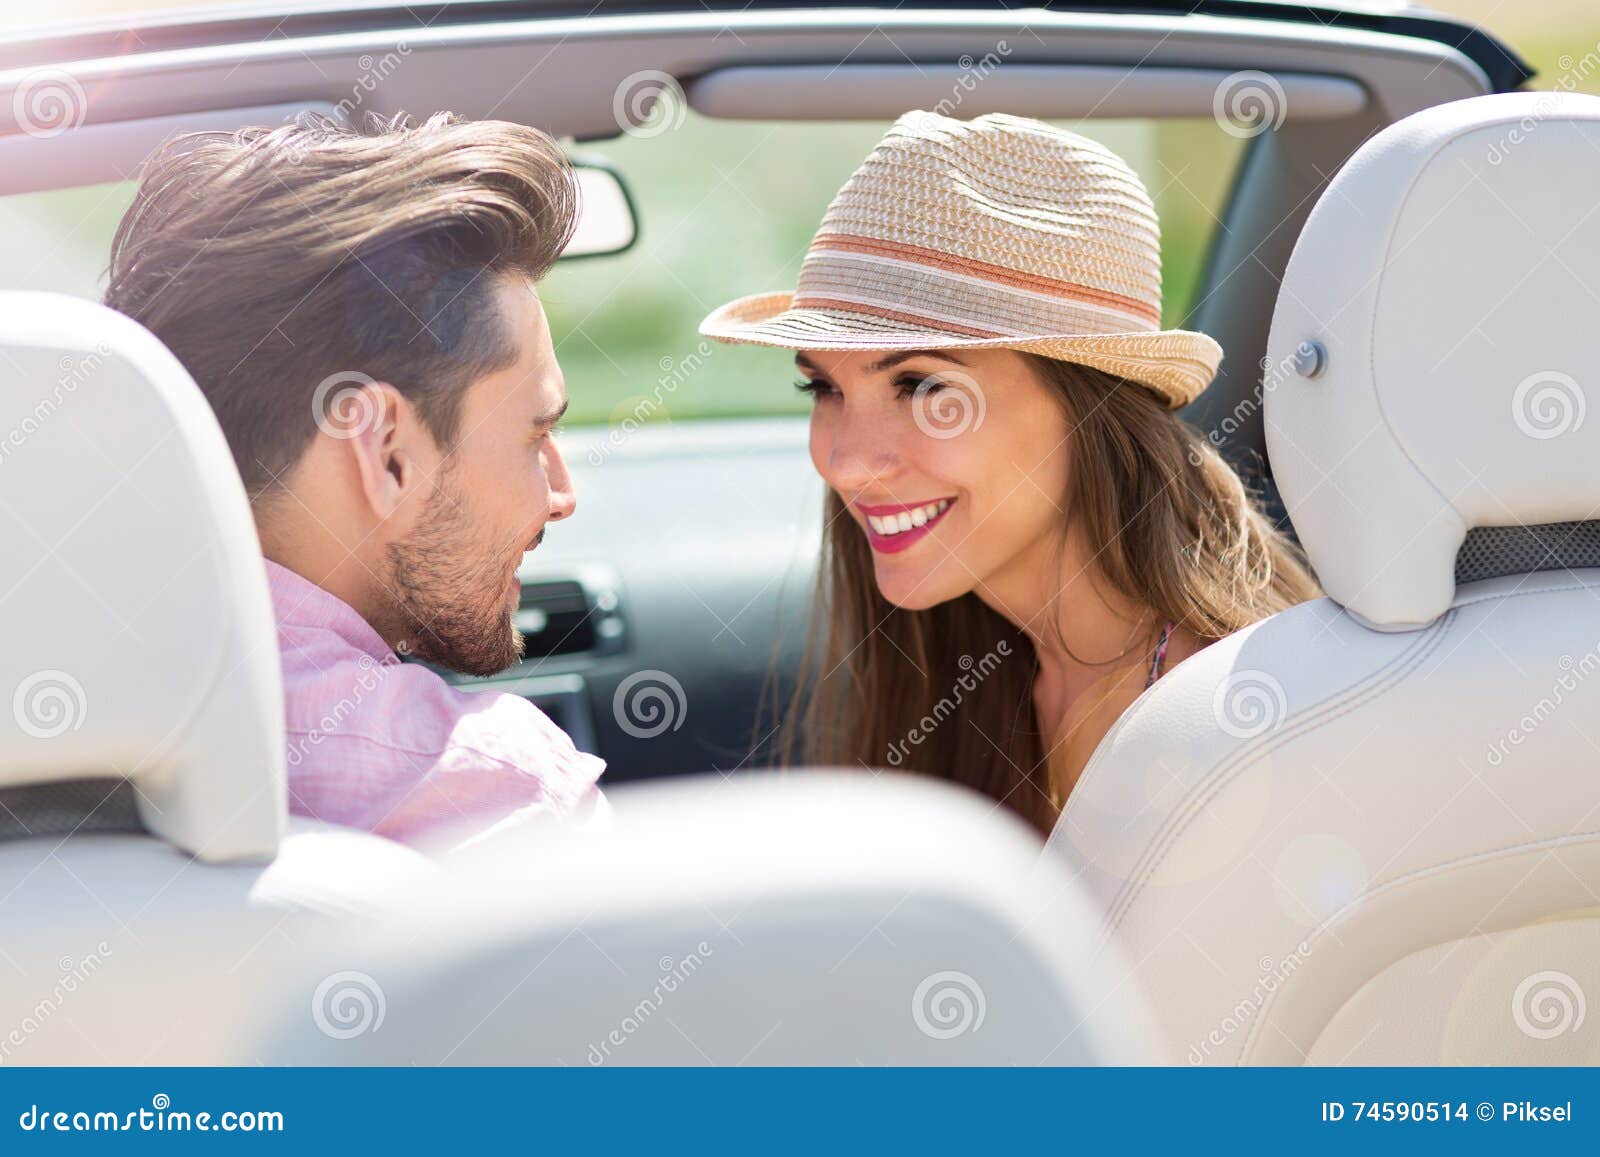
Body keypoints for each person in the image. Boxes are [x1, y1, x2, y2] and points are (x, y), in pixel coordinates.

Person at [700, 111, 1319, 835]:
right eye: (824, 388)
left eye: (924, 388)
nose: (847, 463)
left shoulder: (1227, 722)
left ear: (1091, 402)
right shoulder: (972, 666)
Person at [103, 112, 605, 847]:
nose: (561, 495)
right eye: (535, 435)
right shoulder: (498, 790)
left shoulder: (70, 696)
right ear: (385, 451)